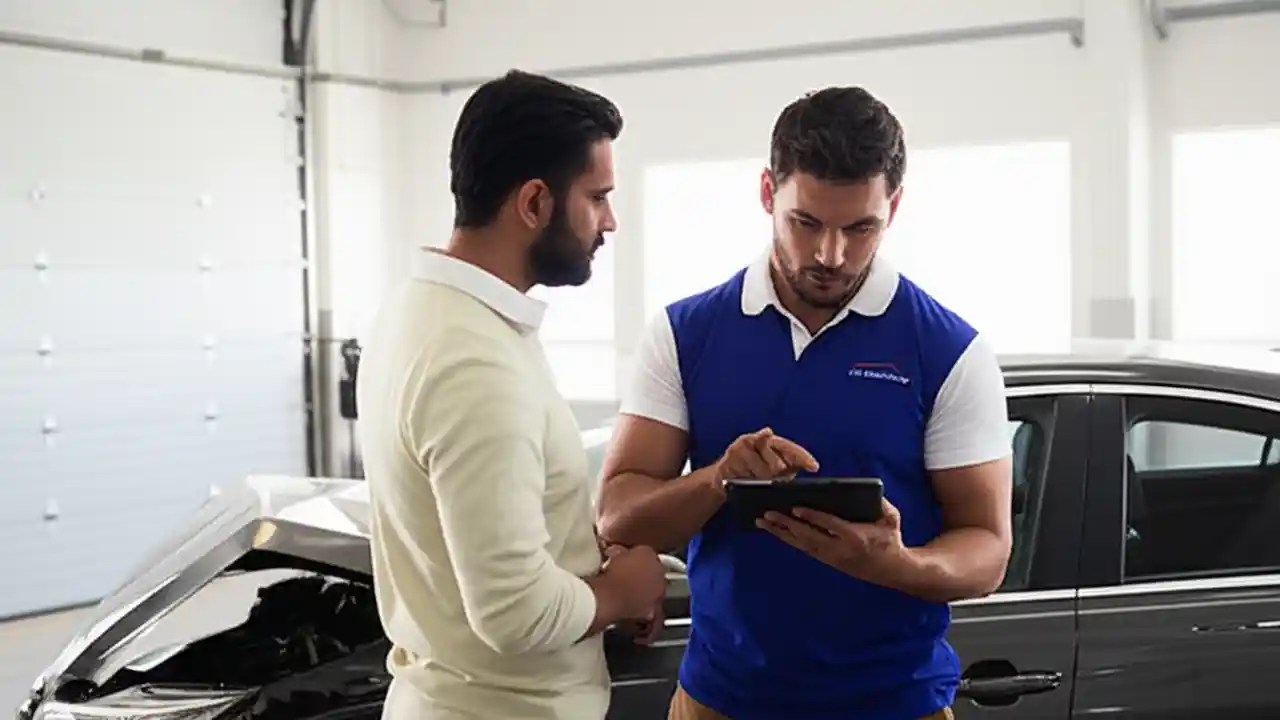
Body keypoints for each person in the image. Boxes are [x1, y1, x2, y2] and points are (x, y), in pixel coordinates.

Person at [595, 85, 1014, 720]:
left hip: (896, 706)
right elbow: (618, 516)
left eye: (860, 227)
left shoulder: (950, 350)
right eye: (806, 222)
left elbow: (987, 550)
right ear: (768, 193)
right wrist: (718, 480)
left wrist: (897, 564)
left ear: (893, 207)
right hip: (719, 703)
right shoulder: (685, 334)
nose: (830, 255)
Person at [356, 69, 668, 720]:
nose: (610, 220)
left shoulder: (425, 313)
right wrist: (624, 590)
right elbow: (515, 611)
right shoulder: (474, 361)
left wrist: (587, 561)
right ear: (533, 203)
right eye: (597, 196)